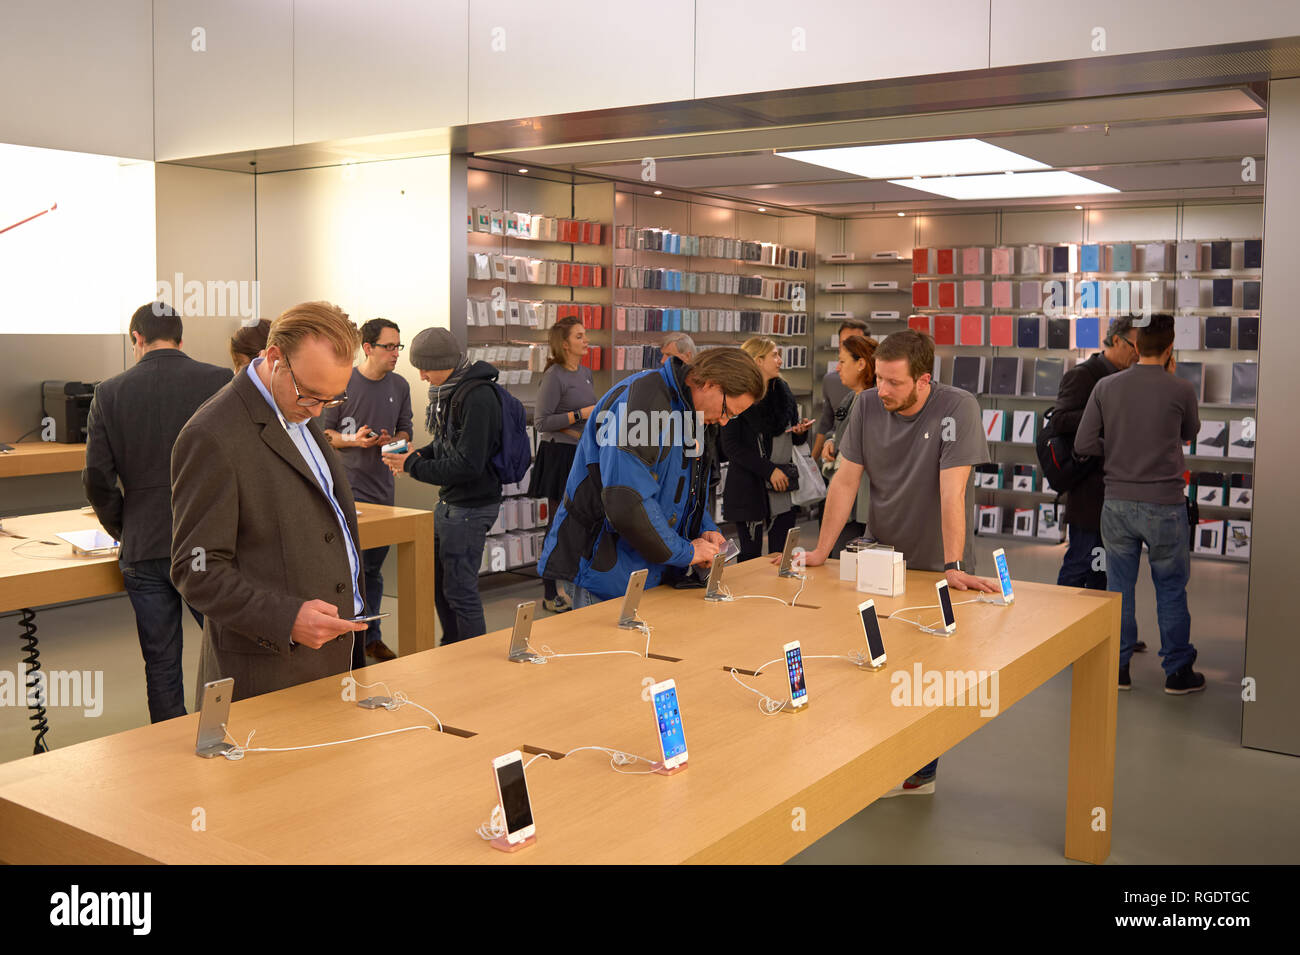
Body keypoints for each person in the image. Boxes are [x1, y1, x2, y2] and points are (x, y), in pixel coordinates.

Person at [801, 329, 995, 795]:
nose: (882, 390)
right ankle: (881, 756)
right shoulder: (868, 405)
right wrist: (821, 551)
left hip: (938, 562)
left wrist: (952, 564)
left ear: (924, 380)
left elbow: (953, 493)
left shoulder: (957, 408)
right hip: (881, 554)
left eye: (893, 382)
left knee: (926, 672)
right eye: (879, 380)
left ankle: (921, 771)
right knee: (876, 660)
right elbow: (846, 482)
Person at [171, 302, 370, 702]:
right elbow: (197, 569)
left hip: (334, 661)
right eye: (310, 395)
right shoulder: (212, 435)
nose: (317, 410)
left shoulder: (300, 410)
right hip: (268, 672)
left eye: (330, 401)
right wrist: (286, 619)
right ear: (274, 357)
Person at [82, 302, 232, 722]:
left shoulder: (109, 393)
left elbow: (96, 477)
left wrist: (124, 524)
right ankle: (234, 733)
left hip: (145, 544)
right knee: (229, 649)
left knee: (162, 664)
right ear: (182, 340)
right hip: (208, 545)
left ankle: (171, 760)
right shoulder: (219, 380)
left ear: (137, 339)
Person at [539, 347, 764, 606]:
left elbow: (687, 490)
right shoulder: (644, 405)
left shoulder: (692, 411)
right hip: (605, 567)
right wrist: (686, 552)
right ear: (710, 383)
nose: (725, 422)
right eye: (727, 411)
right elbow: (627, 500)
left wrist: (705, 531)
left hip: (650, 566)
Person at [1075, 313, 1203, 694]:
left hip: (1116, 503)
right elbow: (1190, 434)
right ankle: (1178, 672)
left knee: (1119, 587)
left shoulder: (1106, 387)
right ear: (1169, 348)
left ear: (1136, 344)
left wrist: (1115, 449)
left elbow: (1083, 444)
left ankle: (1118, 668)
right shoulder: (1181, 389)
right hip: (1164, 503)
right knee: (1171, 587)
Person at [382, 328, 502, 644]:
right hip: (450, 507)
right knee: (439, 585)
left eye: (425, 367)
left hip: (469, 509)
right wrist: (418, 453)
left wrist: (412, 465)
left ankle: (471, 665)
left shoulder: (476, 397)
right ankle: (451, 649)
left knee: (460, 591)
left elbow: (467, 465)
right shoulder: (452, 392)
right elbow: (447, 443)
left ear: (444, 362)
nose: (421, 376)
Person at [319, 318, 413, 664]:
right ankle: (344, 646)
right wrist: (354, 440)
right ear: (368, 348)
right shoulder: (342, 382)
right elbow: (324, 436)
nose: (395, 353)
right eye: (389, 347)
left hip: (382, 492)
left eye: (398, 347)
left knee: (372, 572)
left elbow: (406, 434)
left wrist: (394, 445)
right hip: (346, 494)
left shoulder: (400, 386)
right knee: (345, 574)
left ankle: (371, 639)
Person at [1052, 318, 1145, 602]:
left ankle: (1102, 631)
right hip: (1089, 489)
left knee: (1104, 568)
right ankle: (1058, 627)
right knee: (1080, 561)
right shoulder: (1084, 375)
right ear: (1116, 341)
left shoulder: (1131, 378)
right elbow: (1059, 420)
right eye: (1134, 346)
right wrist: (1104, 413)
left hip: (1119, 486)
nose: (1138, 354)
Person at [721, 337, 812, 561]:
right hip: (749, 488)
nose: (780, 361)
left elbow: (795, 441)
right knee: (750, 558)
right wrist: (768, 470)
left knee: (781, 556)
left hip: (782, 487)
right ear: (758, 360)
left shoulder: (783, 392)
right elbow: (731, 446)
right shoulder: (736, 393)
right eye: (774, 355)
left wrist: (800, 432)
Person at [529, 316, 598, 613]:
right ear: (565, 342)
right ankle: (549, 589)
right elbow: (542, 422)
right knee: (557, 522)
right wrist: (581, 414)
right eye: (580, 336)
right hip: (559, 457)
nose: (586, 341)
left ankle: (574, 582)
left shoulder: (585, 373)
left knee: (580, 519)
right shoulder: (554, 376)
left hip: (581, 454)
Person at [818, 335, 878, 554]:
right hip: (845, 498)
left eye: (843, 361)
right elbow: (840, 430)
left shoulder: (875, 403)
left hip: (862, 500)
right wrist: (830, 442)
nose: (838, 367)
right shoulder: (850, 399)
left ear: (861, 364)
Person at [811, 319, 869, 464]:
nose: (848, 346)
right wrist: (813, 463)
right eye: (844, 343)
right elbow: (827, 424)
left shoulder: (880, 390)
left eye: (854, 341)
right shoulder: (832, 381)